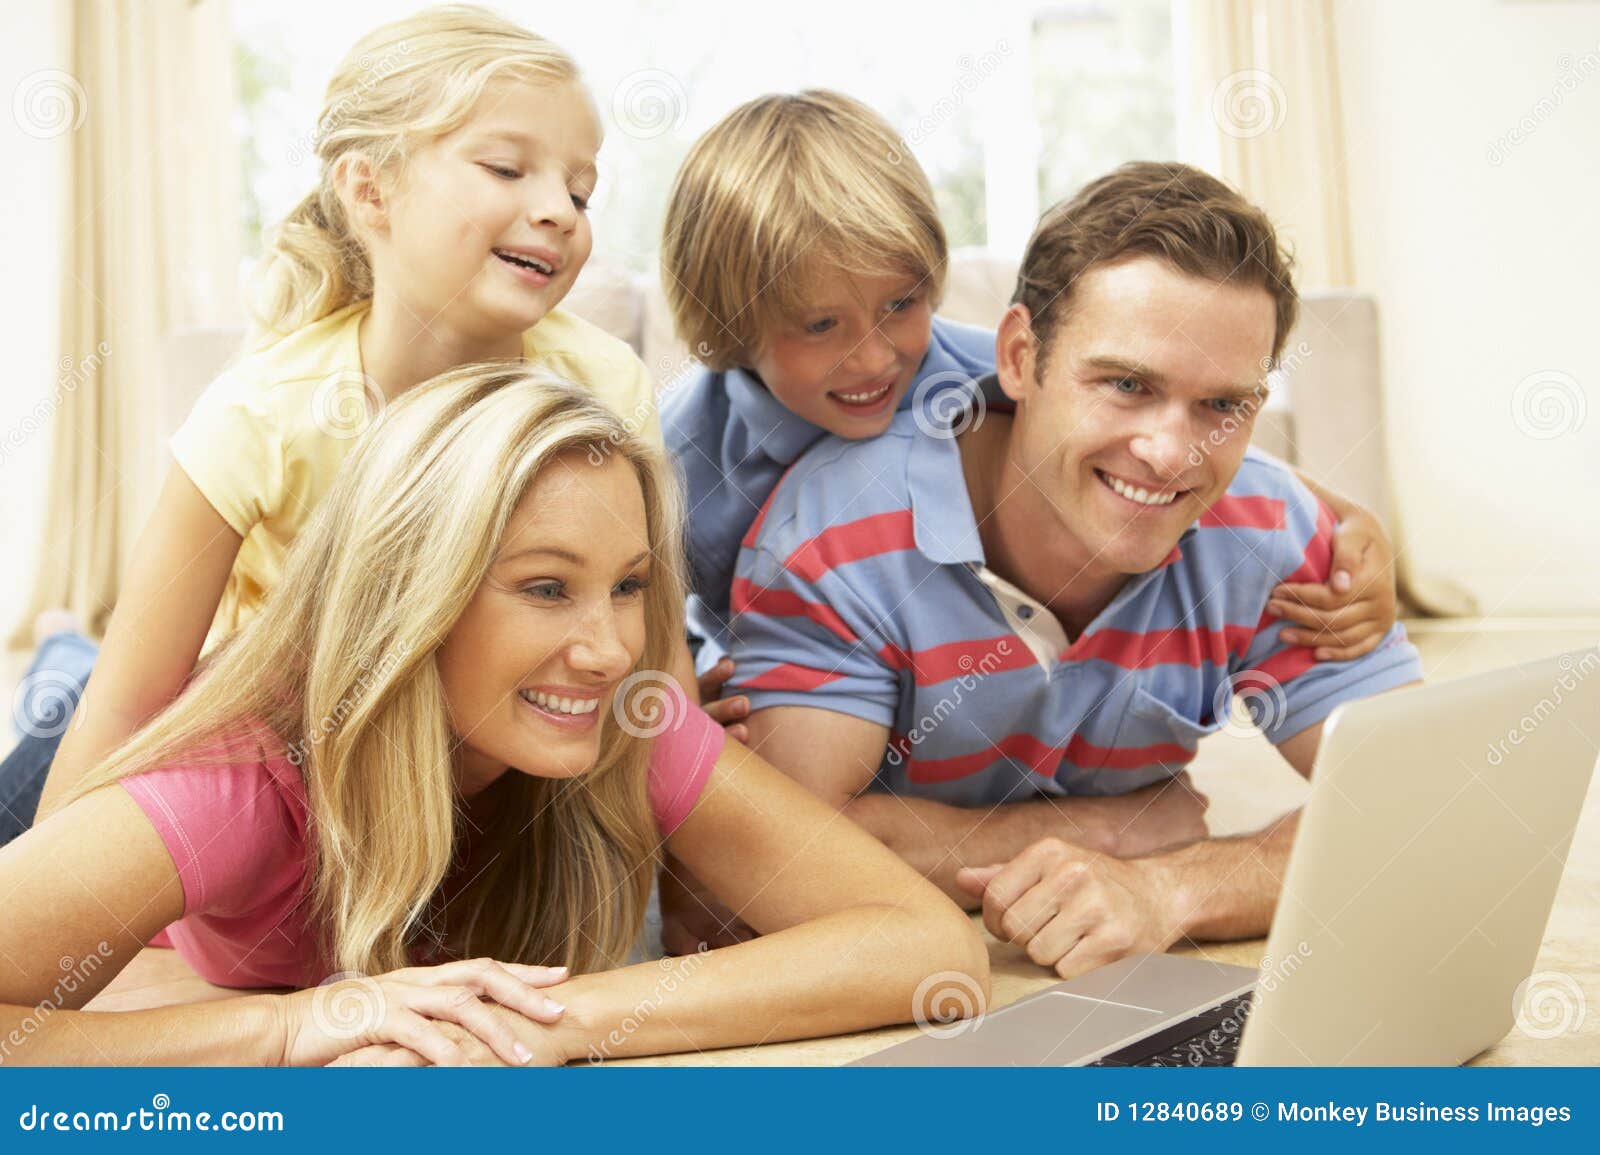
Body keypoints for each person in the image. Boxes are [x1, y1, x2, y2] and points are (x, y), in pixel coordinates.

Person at [0, 366, 985, 1065]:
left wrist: (544, 1020)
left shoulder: (619, 715)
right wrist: (291, 1027)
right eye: (547, 587)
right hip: (135, 746)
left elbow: (929, 946)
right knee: (67, 686)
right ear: (411, 598)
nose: (609, 648)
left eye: (630, 584)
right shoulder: (240, 778)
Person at [655, 94, 1400, 951]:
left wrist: (1328, 514)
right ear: (731, 328)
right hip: (712, 657)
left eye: (900, 305)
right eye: (820, 325)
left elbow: (1186, 455)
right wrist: (674, 712)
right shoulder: (685, 461)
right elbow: (769, 863)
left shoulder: (967, 366)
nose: (872, 356)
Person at [0, 5, 736, 847]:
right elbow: (130, 704)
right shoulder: (262, 416)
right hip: (258, 730)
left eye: (579, 188)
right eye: (506, 167)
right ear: (368, 189)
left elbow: (646, 646)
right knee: (52, 735)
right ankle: (63, 651)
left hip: (448, 755)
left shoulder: (603, 384)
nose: (561, 211)